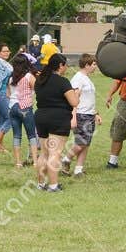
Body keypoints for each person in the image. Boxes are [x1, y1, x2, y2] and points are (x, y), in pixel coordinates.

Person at [32, 53, 77, 192]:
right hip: (58, 117)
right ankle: (53, 185)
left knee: (44, 153)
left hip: (41, 116)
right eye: (66, 65)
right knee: (55, 152)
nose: (67, 68)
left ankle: (40, 184)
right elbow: (74, 102)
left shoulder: (39, 80)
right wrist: (77, 95)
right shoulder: (63, 82)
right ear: (60, 65)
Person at [64, 54, 99, 178]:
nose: (96, 66)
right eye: (94, 64)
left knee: (86, 143)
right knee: (81, 142)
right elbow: (75, 98)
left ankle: (78, 169)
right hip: (81, 114)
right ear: (86, 65)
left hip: (89, 114)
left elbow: (88, 98)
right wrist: (73, 117)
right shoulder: (78, 78)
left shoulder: (86, 78)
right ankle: (66, 160)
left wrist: (96, 114)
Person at [7, 53, 39, 169]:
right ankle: (35, 161)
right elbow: (37, 88)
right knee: (31, 135)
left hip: (12, 107)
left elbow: (8, 94)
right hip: (25, 107)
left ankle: (18, 162)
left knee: (16, 135)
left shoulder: (11, 78)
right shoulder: (29, 77)